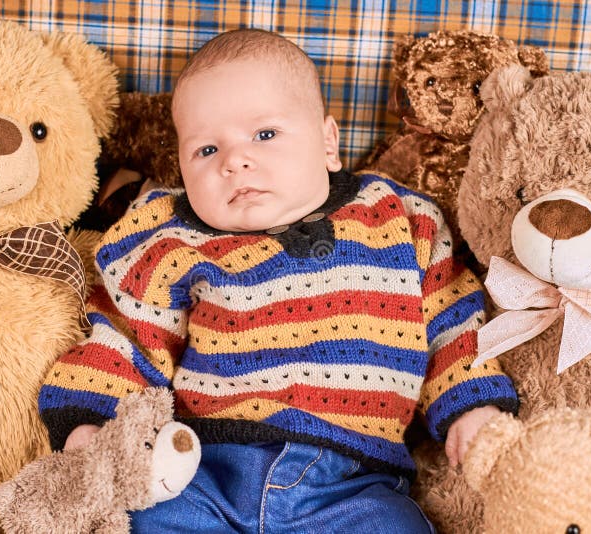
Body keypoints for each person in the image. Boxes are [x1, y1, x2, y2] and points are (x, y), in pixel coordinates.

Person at [39, 28, 518, 533]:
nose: (235, 160)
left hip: (353, 484)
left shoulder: (398, 219)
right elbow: (131, 335)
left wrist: (473, 404)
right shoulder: (171, 238)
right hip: (203, 470)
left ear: (328, 143)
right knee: (137, 521)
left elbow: (452, 317)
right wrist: (89, 420)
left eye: (265, 134)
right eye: (205, 150)